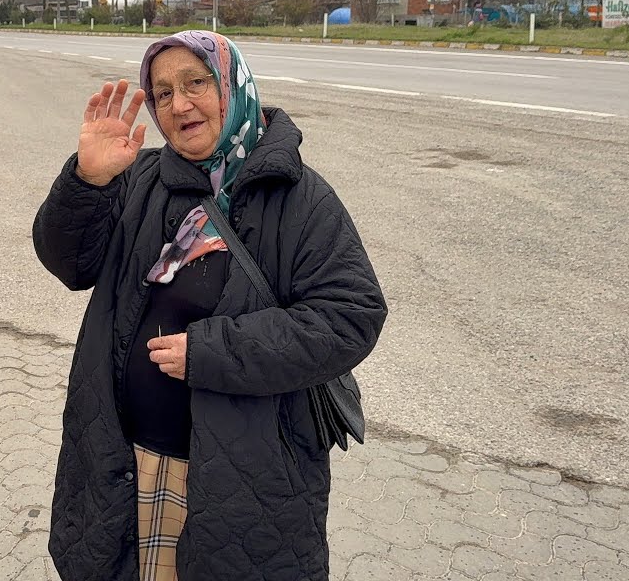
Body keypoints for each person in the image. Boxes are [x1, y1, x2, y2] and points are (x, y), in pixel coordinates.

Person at [33, 30, 388, 580]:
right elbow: (71, 264)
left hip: (243, 481)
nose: (180, 104)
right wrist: (89, 182)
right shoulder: (142, 179)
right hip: (126, 464)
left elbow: (350, 316)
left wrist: (211, 353)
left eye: (195, 82)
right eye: (164, 91)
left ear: (231, 84)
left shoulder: (298, 195)